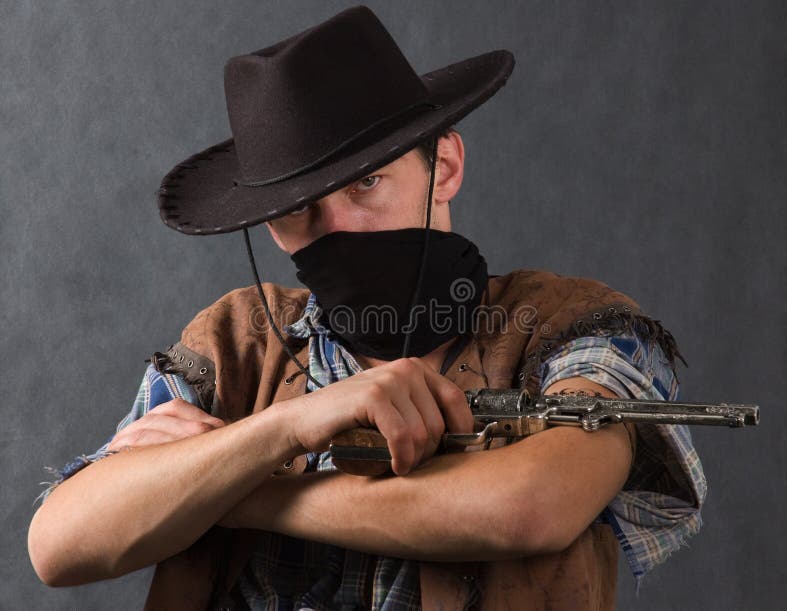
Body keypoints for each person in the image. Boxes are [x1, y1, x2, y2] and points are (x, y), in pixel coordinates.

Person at [28, 6, 705, 610]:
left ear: (444, 166)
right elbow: (62, 542)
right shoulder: (237, 344)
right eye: (298, 209)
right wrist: (287, 427)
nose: (338, 230)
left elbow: (535, 505)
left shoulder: (570, 329)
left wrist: (241, 492)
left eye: (366, 183)